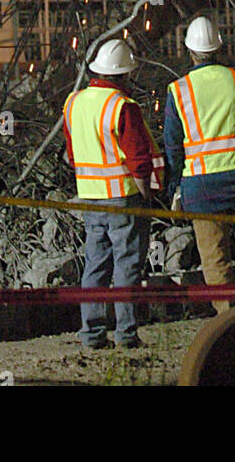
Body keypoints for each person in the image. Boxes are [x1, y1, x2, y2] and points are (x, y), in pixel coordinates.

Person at [165, 15, 235, 312]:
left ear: (189, 50)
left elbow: (173, 146)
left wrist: (175, 186)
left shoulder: (179, 90)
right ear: (219, 48)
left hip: (201, 187)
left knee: (215, 262)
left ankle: (228, 322)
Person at [63, 38, 163, 351]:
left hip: (90, 196)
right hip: (123, 196)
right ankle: (126, 334)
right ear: (122, 75)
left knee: (95, 264)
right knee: (127, 265)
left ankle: (91, 334)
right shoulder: (123, 106)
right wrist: (146, 193)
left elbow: (71, 155)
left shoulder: (73, 102)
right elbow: (138, 158)